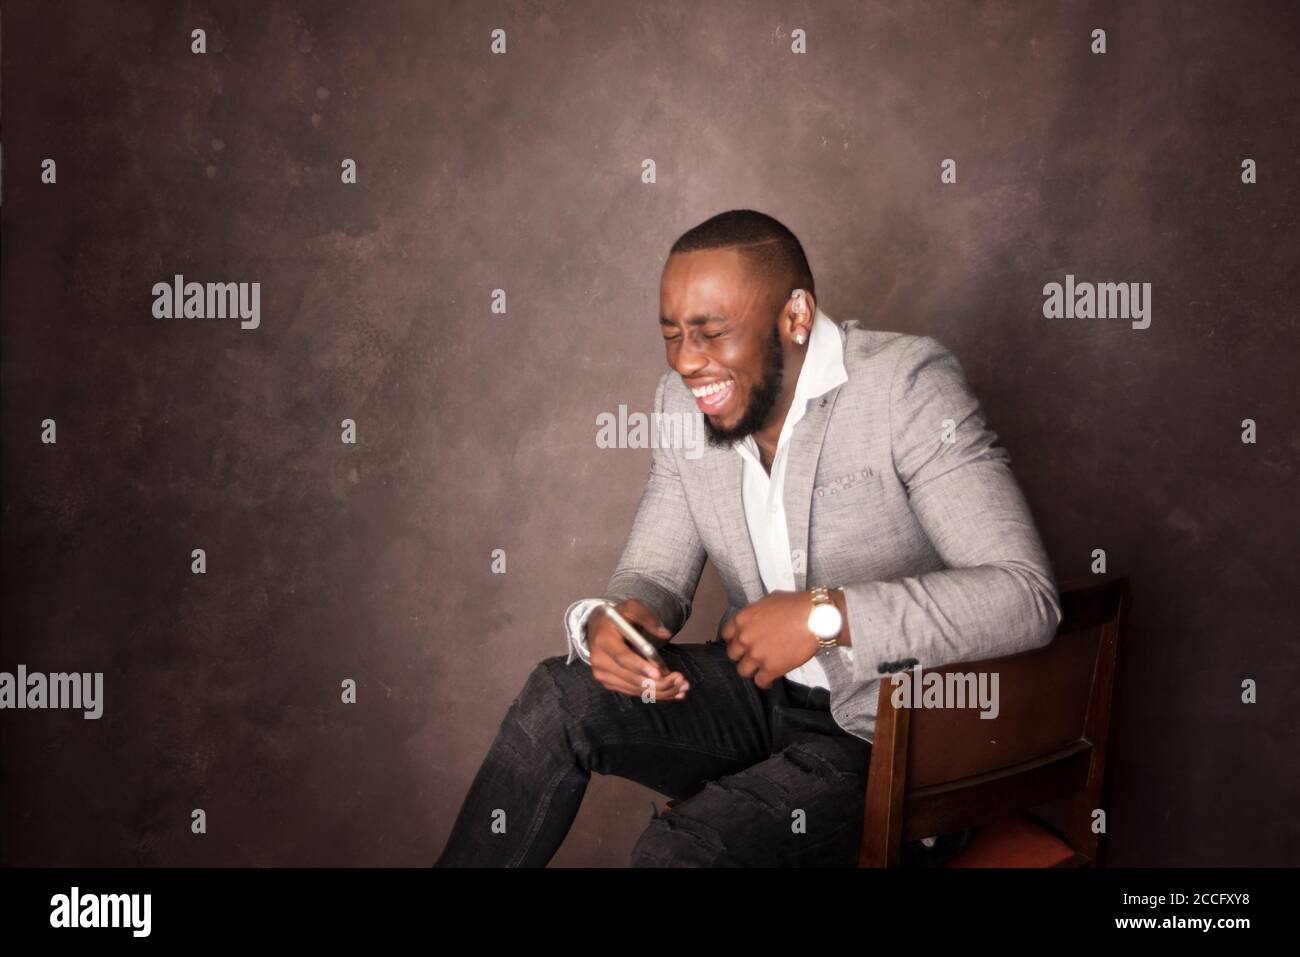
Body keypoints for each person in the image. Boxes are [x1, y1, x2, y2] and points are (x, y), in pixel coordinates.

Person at [435, 209, 1061, 867]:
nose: (685, 361)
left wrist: (828, 616)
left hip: (893, 739)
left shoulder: (903, 386)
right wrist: (624, 621)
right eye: (672, 335)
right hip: (760, 702)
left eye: (710, 333)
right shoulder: (682, 405)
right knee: (560, 695)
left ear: (795, 316)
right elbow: (654, 570)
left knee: (678, 854)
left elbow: (1024, 595)